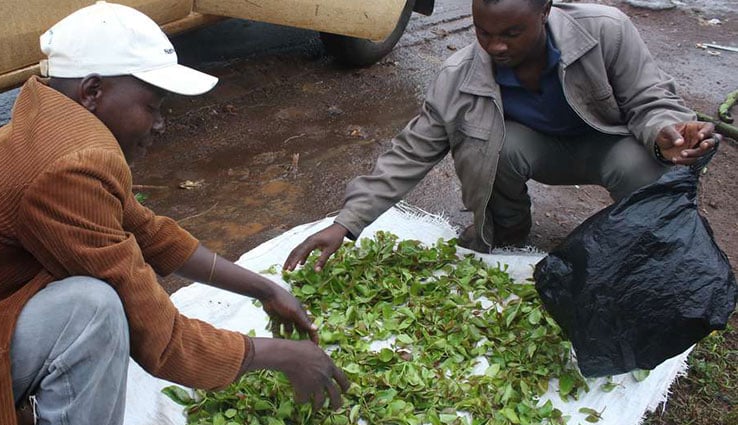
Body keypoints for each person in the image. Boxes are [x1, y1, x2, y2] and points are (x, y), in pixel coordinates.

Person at [0, 3, 348, 425]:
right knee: (97, 310)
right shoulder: (70, 164)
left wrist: (262, 288)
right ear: (91, 91)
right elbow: (159, 335)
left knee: (94, 297)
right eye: (151, 105)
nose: (160, 123)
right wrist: (279, 355)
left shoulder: (57, 131)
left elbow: (148, 232)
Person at [285, 0, 722, 270]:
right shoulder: (459, 74)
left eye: (512, 33)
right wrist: (346, 224)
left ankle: (640, 247)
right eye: (483, 31)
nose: (496, 47)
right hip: (538, 153)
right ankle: (509, 233)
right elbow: (410, 153)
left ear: (546, 10)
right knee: (492, 147)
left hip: (613, 145)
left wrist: (666, 132)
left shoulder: (605, 30)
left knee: (644, 166)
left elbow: (650, 98)